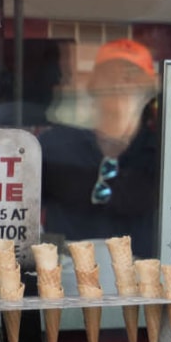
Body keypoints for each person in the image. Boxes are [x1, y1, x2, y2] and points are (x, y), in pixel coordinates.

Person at [41, 38, 162, 254]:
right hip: (67, 283)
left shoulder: (164, 155)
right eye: (110, 73)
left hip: (144, 284)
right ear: (93, 83)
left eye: (131, 76)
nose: (119, 83)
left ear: (150, 89)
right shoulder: (54, 147)